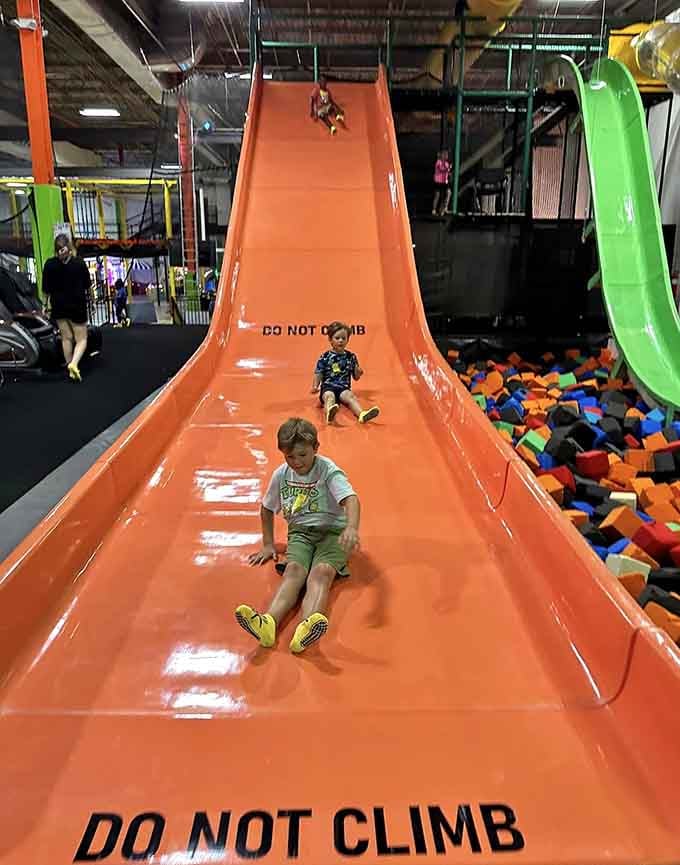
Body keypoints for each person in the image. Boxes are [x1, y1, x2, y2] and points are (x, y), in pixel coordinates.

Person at [236, 418, 360, 653]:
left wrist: (351, 528)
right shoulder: (282, 474)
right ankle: (268, 624)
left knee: (321, 574)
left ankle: (306, 626)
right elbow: (267, 508)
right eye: (290, 457)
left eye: (302, 455)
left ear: (316, 448)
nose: (297, 463)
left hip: (332, 532)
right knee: (294, 571)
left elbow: (351, 499)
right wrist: (268, 544)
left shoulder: (328, 470)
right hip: (301, 532)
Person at [42, 234, 91, 382]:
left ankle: (69, 366)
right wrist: (93, 301)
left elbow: (46, 290)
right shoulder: (79, 263)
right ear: (69, 247)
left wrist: (45, 305)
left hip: (58, 307)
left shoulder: (49, 264)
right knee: (82, 339)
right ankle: (74, 364)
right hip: (77, 306)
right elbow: (88, 287)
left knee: (66, 338)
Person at [312, 320, 379, 424]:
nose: (340, 341)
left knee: (350, 397)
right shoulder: (325, 357)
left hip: (343, 388)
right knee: (329, 397)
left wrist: (358, 372)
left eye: (344, 338)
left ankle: (361, 414)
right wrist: (315, 386)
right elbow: (319, 372)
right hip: (328, 387)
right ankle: (329, 414)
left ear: (348, 340)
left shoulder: (351, 357)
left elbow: (355, 377)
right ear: (330, 339)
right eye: (337, 338)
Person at [432, 149, 452, 216]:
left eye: (447, 155)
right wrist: (448, 168)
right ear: (441, 155)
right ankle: (434, 210)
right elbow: (441, 169)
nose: (446, 156)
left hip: (444, 182)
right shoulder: (438, 162)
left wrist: (449, 172)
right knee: (437, 195)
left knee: (447, 193)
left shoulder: (446, 163)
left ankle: (444, 209)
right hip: (438, 181)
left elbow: (447, 172)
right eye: (444, 154)